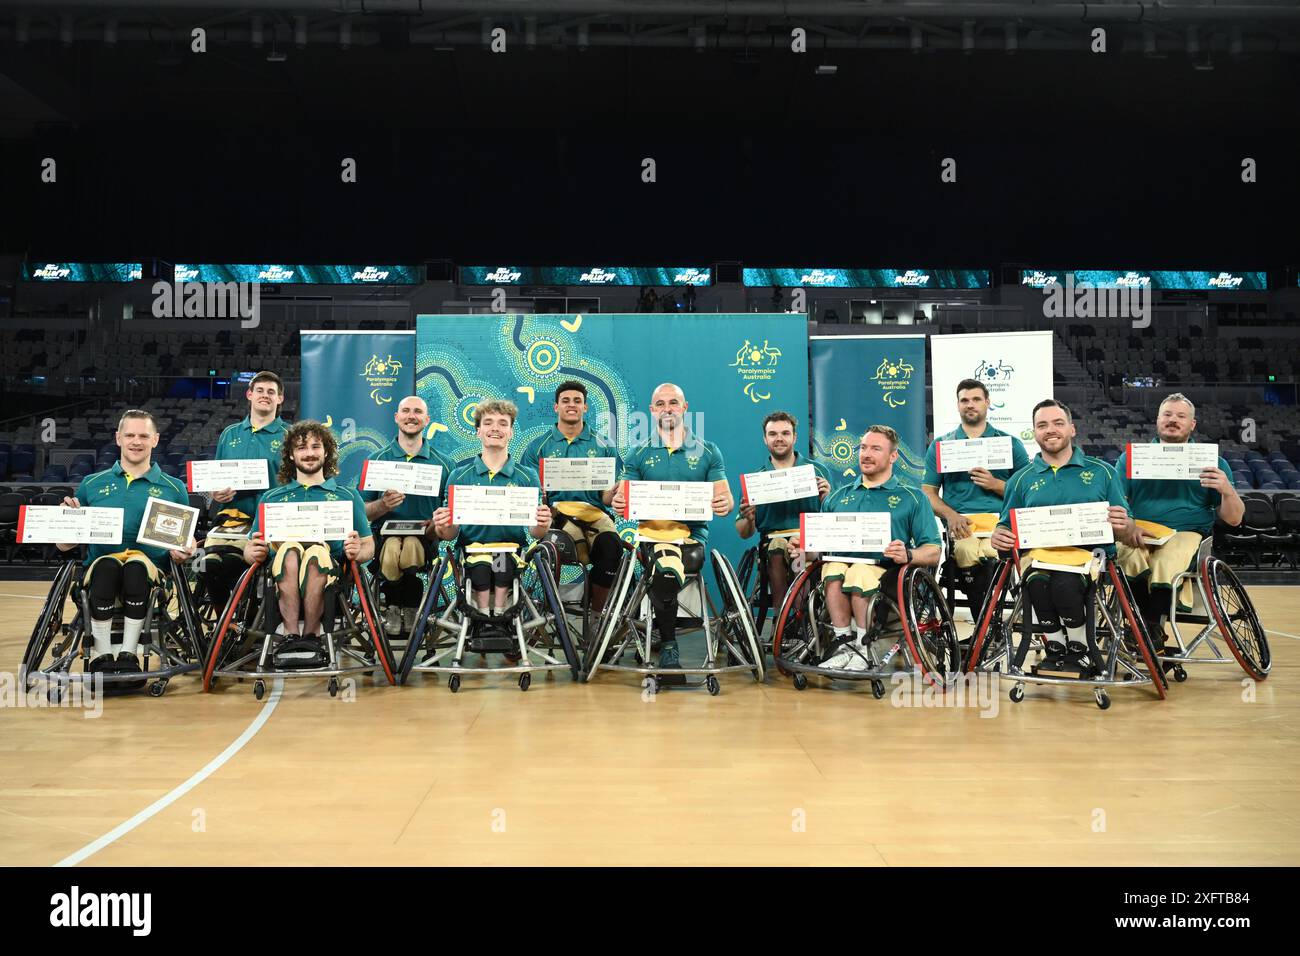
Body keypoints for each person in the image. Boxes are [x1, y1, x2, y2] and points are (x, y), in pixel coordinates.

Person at [991, 399, 1139, 674]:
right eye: (1042, 425)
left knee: (1064, 584)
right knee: (1037, 583)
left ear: (1072, 429)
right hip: (1039, 558)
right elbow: (1005, 526)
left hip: (1089, 558)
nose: (1050, 430)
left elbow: (1127, 528)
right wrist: (999, 536)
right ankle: (1057, 647)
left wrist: (1124, 525)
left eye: (1058, 423)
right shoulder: (1019, 480)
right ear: (1034, 433)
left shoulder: (1102, 472)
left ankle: (1080, 647)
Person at [608, 383, 733, 681]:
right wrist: (619, 502)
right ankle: (668, 648)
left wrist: (724, 503)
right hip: (650, 538)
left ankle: (666, 646)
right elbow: (622, 502)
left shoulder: (708, 451)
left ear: (685, 407)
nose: (667, 408)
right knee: (663, 567)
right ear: (652, 411)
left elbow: (725, 499)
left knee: (666, 567)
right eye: (661, 403)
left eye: (673, 402)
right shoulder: (637, 454)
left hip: (690, 540)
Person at [57, 409, 195, 676]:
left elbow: (184, 542)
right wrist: (67, 525)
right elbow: (63, 546)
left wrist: (186, 550)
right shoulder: (91, 484)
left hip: (149, 571)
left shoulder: (174, 487)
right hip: (100, 566)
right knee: (108, 567)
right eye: (130, 435)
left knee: (135, 568)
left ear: (155, 440)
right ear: (118, 438)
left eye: (143, 435)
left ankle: (129, 652)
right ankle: (101, 652)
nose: (136, 441)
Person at [793, 425, 941, 671]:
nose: (866, 454)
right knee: (833, 567)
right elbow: (816, 550)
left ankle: (863, 649)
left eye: (875, 448)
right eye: (863, 448)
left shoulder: (913, 497)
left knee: (859, 572)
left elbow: (934, 551)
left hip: (889, 576)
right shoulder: (837, 497)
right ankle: (844, 645)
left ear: (893, 456)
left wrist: (909, 554)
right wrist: (802, 548)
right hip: (843, 572)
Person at [1114, 393, 1244, 650]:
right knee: (1129, 556)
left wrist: (1227, 490)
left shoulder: (1213, 463)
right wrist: (1128, 525)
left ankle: (1149, 627)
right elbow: (1117, 503)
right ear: (1157, 420)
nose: (1173, 420)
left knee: (1168, 557)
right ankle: (1143, 626)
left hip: (1186, 531)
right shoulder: (1130, 459)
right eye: (1167, 415)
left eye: (1181, 416)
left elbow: (1234, 518)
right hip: (1141, 530)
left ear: (1192, 424)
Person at [243, 421, 373, 665]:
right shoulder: (272, 498)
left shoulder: (347, 496)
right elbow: (251, 550)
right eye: (302, 448)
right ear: (291, 455)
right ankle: (290, 635)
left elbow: (368, 545)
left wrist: (358, 551)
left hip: (331, 574)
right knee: (290, 551)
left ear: (326, 452)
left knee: (315, 553)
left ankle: (312, 635)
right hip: (281, 571)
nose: (310, 453)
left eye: (316, 446)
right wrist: (251, 551)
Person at [432, 400, 551, 620]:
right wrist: (443, 525)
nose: (495, 428)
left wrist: (543, 524)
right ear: (478, 431)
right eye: (488, 423)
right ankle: (484, 614)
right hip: (471, 552)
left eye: (502, 423)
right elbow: (449, 534)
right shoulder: (459, 475)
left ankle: (499, 613)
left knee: (504, 565)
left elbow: (536, 533)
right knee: (480, 568)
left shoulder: (527, 476)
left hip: (512, 551)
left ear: (511, 432)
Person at [922, 378, 1030, 610]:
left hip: (1000, 523)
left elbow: (1028, 492)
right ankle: (989, 626)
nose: (970, 404)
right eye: (964, 400)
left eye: (976, 399)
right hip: (962, 523)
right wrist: (951, 516)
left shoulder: (1010, 443)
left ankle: (986, 629)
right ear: (958, 405)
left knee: (991, 550)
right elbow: (928, 493)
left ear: (987, 403)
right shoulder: (942, 446)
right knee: (966, 549)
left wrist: (996, 484)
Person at [519, 380, 622, 613]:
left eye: (577, 401)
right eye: (565, 401)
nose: (571, 405)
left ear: (585, 407)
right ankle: (549, 614)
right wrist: (539, 495)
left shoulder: (604, 445)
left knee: (611, 547)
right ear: (556, 407)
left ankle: (597, 617)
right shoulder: (538, 447)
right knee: (561, 547)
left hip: (595, 515)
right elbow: (531, 497)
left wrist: (615, 494)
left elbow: (606, 498)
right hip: (558, 517)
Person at [359, 395, 456, 635]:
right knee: (393, 546)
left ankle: (402, 608)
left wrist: (437, 522)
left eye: (417, 412)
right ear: (397, 417)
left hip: (426, 538)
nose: (411, 416)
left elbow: (450, 513)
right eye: (405, 411)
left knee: (411, 542)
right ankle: (402, 608)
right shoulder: (376, 460)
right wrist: (383, 505)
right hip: (383, 539)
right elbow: (362, 514)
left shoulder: (445, 464)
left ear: (427, 419)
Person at [734, 410, 832, 620]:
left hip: (809, 540)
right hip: (772, 543)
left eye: (785, 433)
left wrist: (828, 499)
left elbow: (834, 518)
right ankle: (782, 620)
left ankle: (799, 618)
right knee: (778, 547)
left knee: (799, 549)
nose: (779, 438)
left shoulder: (818, 471)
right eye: (773, 434)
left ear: (794, 437)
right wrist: (749, 519)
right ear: (765, 439)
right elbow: (743, 532)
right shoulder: (756, 480)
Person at [204, 371, 288, 608]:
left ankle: (249, 622)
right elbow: (216, 479)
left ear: (280, 399)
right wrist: (215, 493)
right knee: (209, 566)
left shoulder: (290, 435)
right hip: (233, 518)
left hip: (272, 521)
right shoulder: (230, 433)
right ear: (249, 394)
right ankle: (226, 623)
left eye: (271, 392)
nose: (265, 395)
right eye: (260, 390)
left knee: (235, 565)